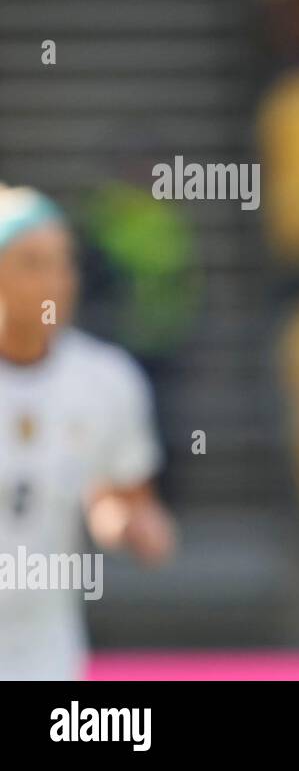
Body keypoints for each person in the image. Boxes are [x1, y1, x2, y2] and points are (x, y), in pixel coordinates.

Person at [0, 184, 176, 680]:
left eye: (62, 263)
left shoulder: (106, 380)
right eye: (31, 263)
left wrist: (129, 522)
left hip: (46, 648)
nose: (54, 281)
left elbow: (119, 493)